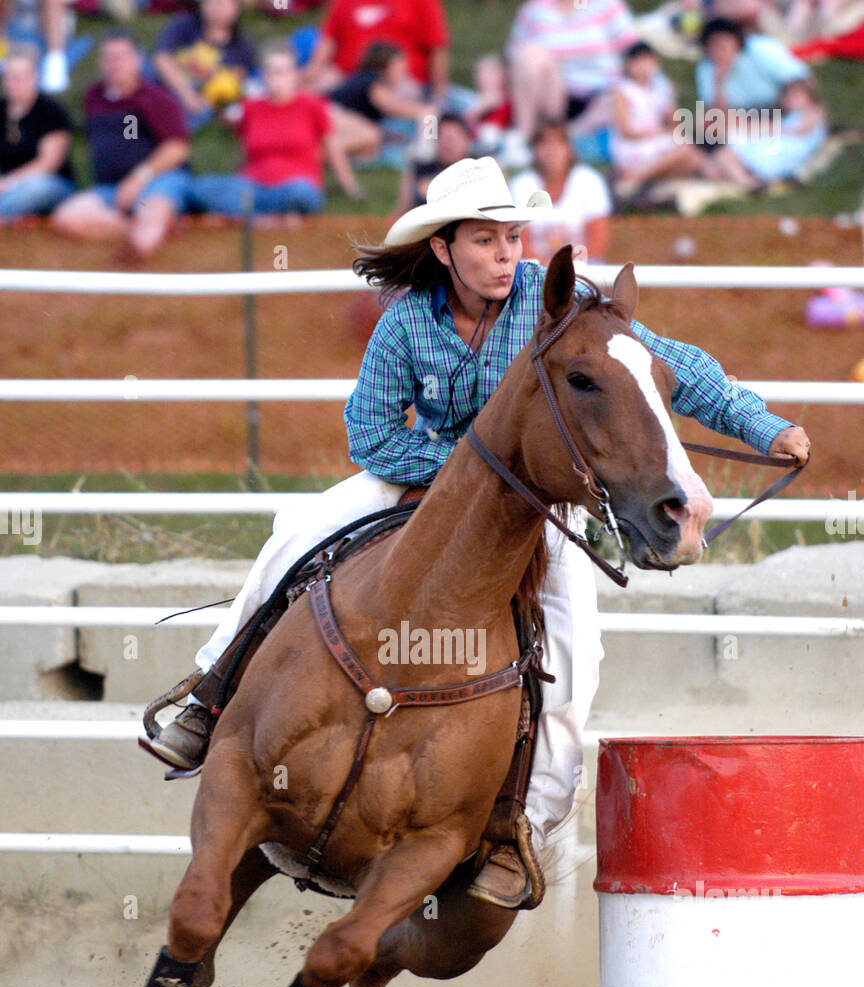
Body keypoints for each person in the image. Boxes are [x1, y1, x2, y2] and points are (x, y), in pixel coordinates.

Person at [143, 157, 810, 908]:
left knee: (573, 653)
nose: (505, 255)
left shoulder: (556, 306)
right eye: (486, 239)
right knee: (297, 529)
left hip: (532, 498)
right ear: (442, 248)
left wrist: (763, 424)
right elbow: (369, 431)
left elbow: (671, 364)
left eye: (513, 237)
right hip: (416, 475)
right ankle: (211, 693)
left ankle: (519, 827)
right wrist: (461, 478)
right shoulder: (404, 321)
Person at [51, 33, 191, 258]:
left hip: (155, 181)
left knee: (153, 209)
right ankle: (141, 232)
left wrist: (139, 177)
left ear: (137, 60)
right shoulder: (94, 97)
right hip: (111, 188)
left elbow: (177, 147)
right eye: (108, 58)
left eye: (120, 57)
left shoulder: (157, 98)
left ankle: (140, 249)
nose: (113, 64)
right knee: (67, 218)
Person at [192, 41, 361, 220]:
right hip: (254, 186)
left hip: (294, 186)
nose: (276, 77)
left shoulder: (312, 105)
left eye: (281, 72)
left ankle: (249, 217)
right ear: (264, 75)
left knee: (302, 194)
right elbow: (244, 150)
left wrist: (351, 188)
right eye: (271, 71)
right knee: (204, 187)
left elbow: (333, 147)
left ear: (294, 74)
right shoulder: (250, 108)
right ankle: (267, 219)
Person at [507, 0, 639, 157]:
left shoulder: (606, 5)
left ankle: (555, 141)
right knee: (530, 54)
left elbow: (635, 52)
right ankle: (525, 140)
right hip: (553, 95)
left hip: (601, 97)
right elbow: (514, 57)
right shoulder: (535, 9)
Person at [611, 41, 708, 196]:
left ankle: (647, 182)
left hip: (657, 139)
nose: (644, 66)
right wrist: (657, 133)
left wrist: (672, 101)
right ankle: (634, 179)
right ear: (629, 65)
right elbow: (625, 131)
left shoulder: (660, 87)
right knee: (685, 149)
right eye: (638, 61)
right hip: (635, 144)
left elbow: (674, 124)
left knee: (696, 159)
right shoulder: (623, 91)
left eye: (648, 61)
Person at [303, 0, 450, 102]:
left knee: (384, 96)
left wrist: (439, 92)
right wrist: (312, 72)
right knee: (305, 91)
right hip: (348, 77)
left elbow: (437, 48)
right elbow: (329, 39)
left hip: (399, 80)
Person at [511, 119, 611, 263]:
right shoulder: (521, 185)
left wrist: (565, 268)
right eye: (544, 143)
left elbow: (599, 240)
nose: (552, 151)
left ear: (569, 148)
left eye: (558, 143)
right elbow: (519, 240)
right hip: (534, 273)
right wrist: (548, 269)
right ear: (535, 149)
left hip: (585, 272)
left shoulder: (589, 181)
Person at [328, 40, 437, 169]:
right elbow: (397, 108)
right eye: (399, 66)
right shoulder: (373, 84)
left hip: (336, 118)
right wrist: (427, 112)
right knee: (429, 114)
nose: (403, 72)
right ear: (386, 66)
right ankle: (427, 154)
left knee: (373, 141)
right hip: (331, 115)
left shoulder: (362, 79)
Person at [151, 0, 256, 133]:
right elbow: (161, 57)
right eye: (212, 2)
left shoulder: (241, 47)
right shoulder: (185, 24)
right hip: (168, 85)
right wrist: (185, 92)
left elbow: (241, 84)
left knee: (204, 111)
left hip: (201, 104)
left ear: (236, 8)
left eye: (225, 3)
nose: (218, 8)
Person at [708, 75, 828, 186]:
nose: (791, 99)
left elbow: (799, 131)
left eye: (796, 95)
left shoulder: (814, 113)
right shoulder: (792, 116)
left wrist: (770, 129)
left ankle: (749, 184)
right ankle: (746, 180)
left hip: (781, 154)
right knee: (721, 159)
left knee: (725, 156)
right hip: (775, 150)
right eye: (789, 95)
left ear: (810, 97)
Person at [0, 41, 74, 219]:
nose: (12, 83)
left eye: (19, 77)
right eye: (9, 77)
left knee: (36, 188)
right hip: (6, 185)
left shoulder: (50, 111)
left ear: (34, 77)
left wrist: (8, 183)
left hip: (50, 184)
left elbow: (48, 164)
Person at [696, 16, 808, 113]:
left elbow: (798, 78)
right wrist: (718, 83)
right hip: (740, 118)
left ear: (736, 40)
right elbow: (716, 113)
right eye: (714, 45)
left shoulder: (760, 48)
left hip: (778, 110)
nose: (720, 49)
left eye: (723, 42)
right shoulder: (706, 68)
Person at [391, 109, 473, 220]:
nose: (448, 144)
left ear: (466, 140)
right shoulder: (419, 169)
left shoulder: (478, 169)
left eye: (453, 138)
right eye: (443, 137)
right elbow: (402, 210)